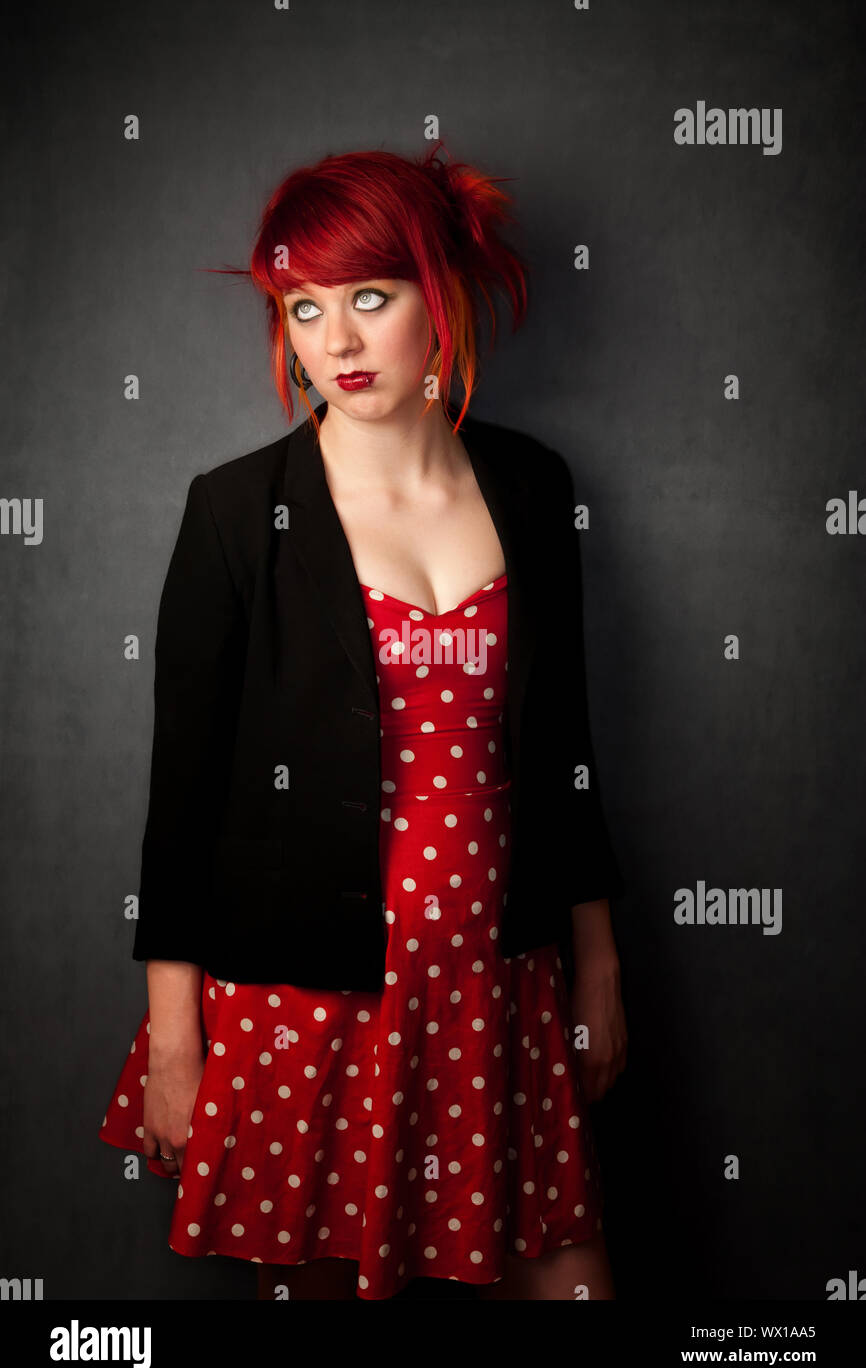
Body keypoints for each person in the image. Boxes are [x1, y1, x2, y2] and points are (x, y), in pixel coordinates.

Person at [97, 141, 628, 1301]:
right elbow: (182, 799)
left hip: (496, 980)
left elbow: (563, 748)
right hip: (305, 992)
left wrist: (595, 962)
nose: (335, 340)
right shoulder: (236, 511)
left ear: (437, 298)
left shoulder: (532, 486)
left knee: (566, 1273)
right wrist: (174, 1039)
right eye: (304, 308)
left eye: (369, 299)